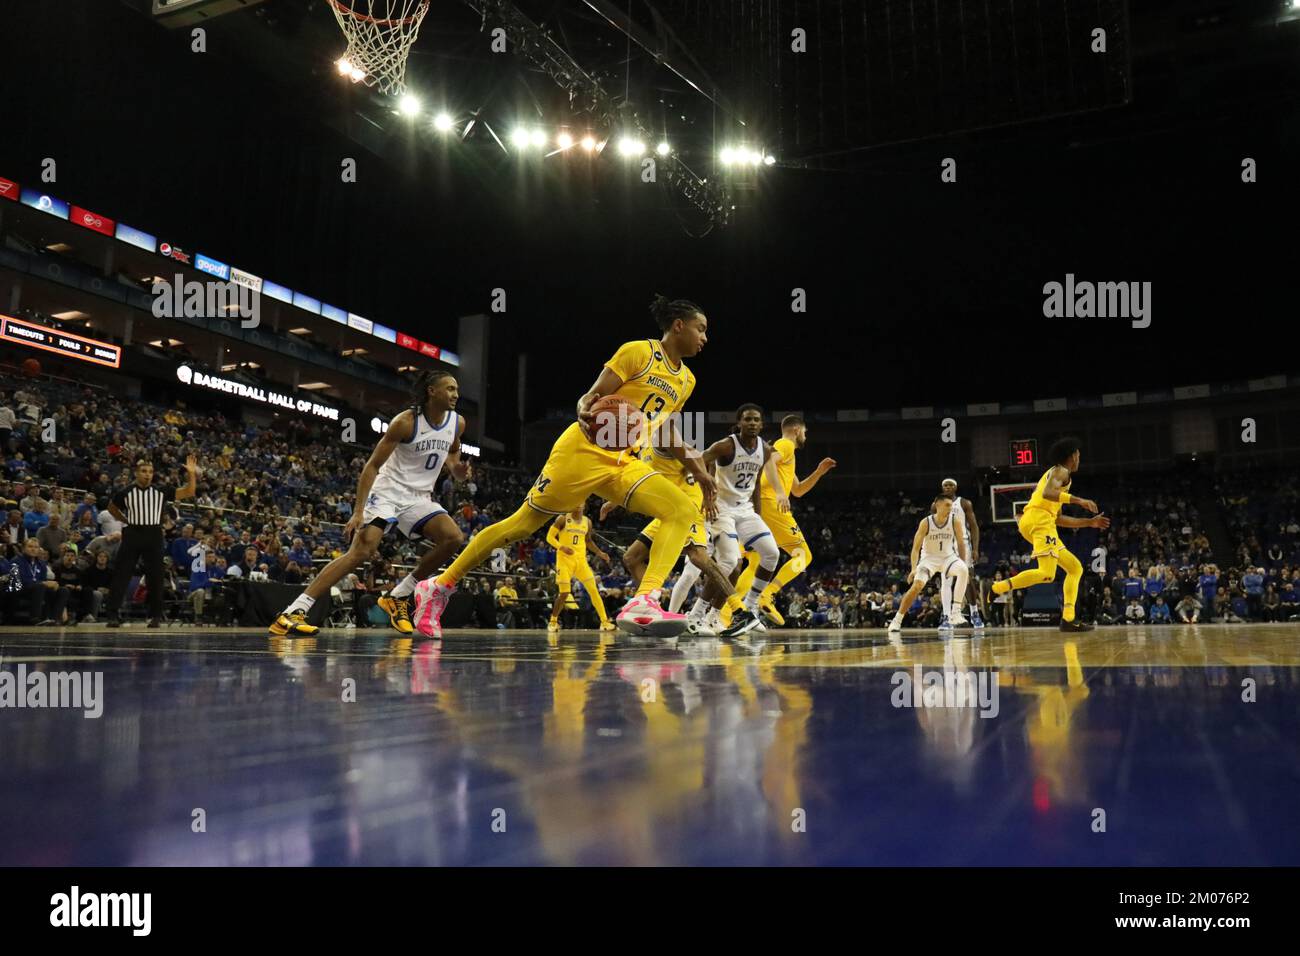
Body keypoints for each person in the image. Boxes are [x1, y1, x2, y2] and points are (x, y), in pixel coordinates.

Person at [414, 295, 714, 637]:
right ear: (678, 326)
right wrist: (584, 407)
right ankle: (439, 586)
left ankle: (645, 598)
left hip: (624, 462)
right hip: (584, 450)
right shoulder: (638, 352)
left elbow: (666, 429)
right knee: (522, 526)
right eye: (700, 329)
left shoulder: (686, 380)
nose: (704, 338)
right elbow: (592, 395)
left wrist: (699, 468)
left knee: (682, 510)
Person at [268, 371, 469, 637]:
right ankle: (292, 612)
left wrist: (456, 470)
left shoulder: (457, 423)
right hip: (387, 491)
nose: (455, 394)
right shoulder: (406, 422)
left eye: (456, 389)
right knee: (361, 551)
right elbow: (372, 466)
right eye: (450, 388)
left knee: (453, 538)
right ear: (432, 391)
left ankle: (398, 595)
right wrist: (358, 511)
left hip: (419, 497)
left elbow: (453, 452)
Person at [990, 437, 1110, 632]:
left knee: (1074, 568)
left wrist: (1089, 522)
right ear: (1072, 456)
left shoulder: (1059, 477)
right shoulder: (1060, 470)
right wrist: (1079, 501)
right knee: (1047, 574)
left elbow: (1059, 519)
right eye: (1078, 454)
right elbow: (1047, 493)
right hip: (1039, 520)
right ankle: (997, 588)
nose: (1080, 458)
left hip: (1041, 521)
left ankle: (1069, 618)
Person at [733, 414, 836, 623]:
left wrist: (818, 473)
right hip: (771, 505)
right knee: (803, 556)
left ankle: (729, 614)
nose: (805, 436)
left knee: (755, 561)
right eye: (805, 432)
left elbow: (797, 490)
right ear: (797, 429)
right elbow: (770, 459)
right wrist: (780, 493)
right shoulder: (785, 444)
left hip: (756, 505)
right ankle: (768, 593)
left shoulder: (788, 455)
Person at [105, 456, 198, 627]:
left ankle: (155, 616)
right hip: (132, 532)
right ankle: (112, 614)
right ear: (136, 473)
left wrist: (191, 474)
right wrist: (125, 519)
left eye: (150, 471)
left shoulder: (161, 491)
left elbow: (189, 492)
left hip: (154, 533)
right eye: (143, 471)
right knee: (122, 574)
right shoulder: (125, 492)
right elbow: (112, 507)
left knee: (155, 577)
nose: (147, 475)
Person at [889, 495, 969, 634]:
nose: (951, 508)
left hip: (947, 558)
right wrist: (913, 569)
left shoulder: (954, 521)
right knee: (917, 586)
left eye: (951, 505)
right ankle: (897, 620)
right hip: (929, 559)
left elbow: (961, 544)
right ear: (937, 505)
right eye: (947, 505)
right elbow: (915, 549)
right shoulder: (926, 522)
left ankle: (955, 613)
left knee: (963, 570)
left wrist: (961, 560)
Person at [545, 506, 614, 632]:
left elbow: (588, 541)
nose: (578, 504)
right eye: (575, 501)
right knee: (564, 593)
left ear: (584, 504)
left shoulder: (587, 522)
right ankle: (553, 621)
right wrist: (561, 547)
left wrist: (600, 553)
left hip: (581, 562)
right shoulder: (562, 518)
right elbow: (549, 537)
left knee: (594, 590)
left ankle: (604, 622)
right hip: (565, 561)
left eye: (580, 502)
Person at [939, 478, 984, 630]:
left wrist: (976, 548)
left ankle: (974, 613)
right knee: (946, 581)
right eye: (945, 485)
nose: (947, 487)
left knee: (967, 579)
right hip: (945, 545)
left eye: (950, 485)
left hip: (963, 544)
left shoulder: (964, 503)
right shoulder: (936, 505)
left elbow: (974, 527)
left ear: (956, 487)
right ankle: (946, 617)